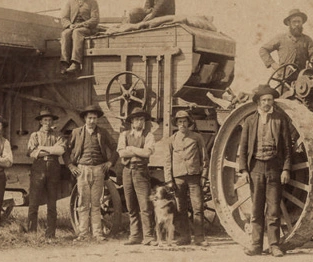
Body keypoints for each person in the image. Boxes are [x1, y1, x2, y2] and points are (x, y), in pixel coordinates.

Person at [236, 85, 292, 257]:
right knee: (256, 208)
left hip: (274, 167)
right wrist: (244, 170)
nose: (267, 103)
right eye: (264, 100)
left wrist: (286, 169)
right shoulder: (250, 122)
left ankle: (274, 245)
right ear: (258, 102)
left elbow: (288, 148)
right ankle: (256, 245)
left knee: (274, 209)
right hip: (256, 169)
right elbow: (243, 148)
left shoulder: (280, 120)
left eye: (270, 100)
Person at [65, 104, 117, 241]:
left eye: (94, 118)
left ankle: (97, 234)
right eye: (89, 118)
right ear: (85, 119)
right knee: (83, 203)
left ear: (97, 119)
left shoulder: (103, 133)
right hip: (82, 170)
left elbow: (116, 147)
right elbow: (65, 150)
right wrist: (71, 166)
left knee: (96, 203)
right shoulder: (77, 132)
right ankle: (83, 234)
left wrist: (110, 162)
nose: (92, 121)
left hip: (99, 170)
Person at [165, 110, 209, 247]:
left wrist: (203, 176)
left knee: (198, 207)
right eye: (179, 122)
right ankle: (184, 237)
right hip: (178, 179)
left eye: (184, 121)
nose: (182, 124)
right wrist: (169, 180)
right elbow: (167, 161)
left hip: (194, 177)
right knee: (180, 209)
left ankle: (199, 238)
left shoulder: (196, 138)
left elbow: (205, 159)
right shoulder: (171, 140)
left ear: (189, 123)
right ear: (176, 124)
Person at [117, 109, 157, 245]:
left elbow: (147, 153)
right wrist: (136, 152)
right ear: (132, 122)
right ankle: (135, 235)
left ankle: (148, 236)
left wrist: (132, 149)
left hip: (141, 171)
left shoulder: (149, 135)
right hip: (127, 171)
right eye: (136, 119)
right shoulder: (124, 134)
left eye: (142, 119)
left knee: (145, 205)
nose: (139, 122)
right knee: (131, 205)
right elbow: (121, 153)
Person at [25, 108, 66, 239]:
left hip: (54, 167)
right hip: (38, 167)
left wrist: (42, 148)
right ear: (41, 122)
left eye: (50, 120)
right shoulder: (35, 135)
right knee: (34, 201)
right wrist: (50, 150)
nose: (48, 122)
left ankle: (50, 234)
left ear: (52, 121)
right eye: (45, 120)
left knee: (52, 203)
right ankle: (32, 233)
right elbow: (32, 153)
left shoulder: (58, 135)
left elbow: (60, 151)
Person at [60, 0, 100, 74]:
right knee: (65, 33)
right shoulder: (70, 2)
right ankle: (65, 63)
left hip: (87, 28)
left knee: (77, 32)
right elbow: (64, 18)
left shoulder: (92, 2)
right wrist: (70, 25)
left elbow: (95, 19)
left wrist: (81, 25)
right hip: (73, 27)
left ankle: (76, 63)